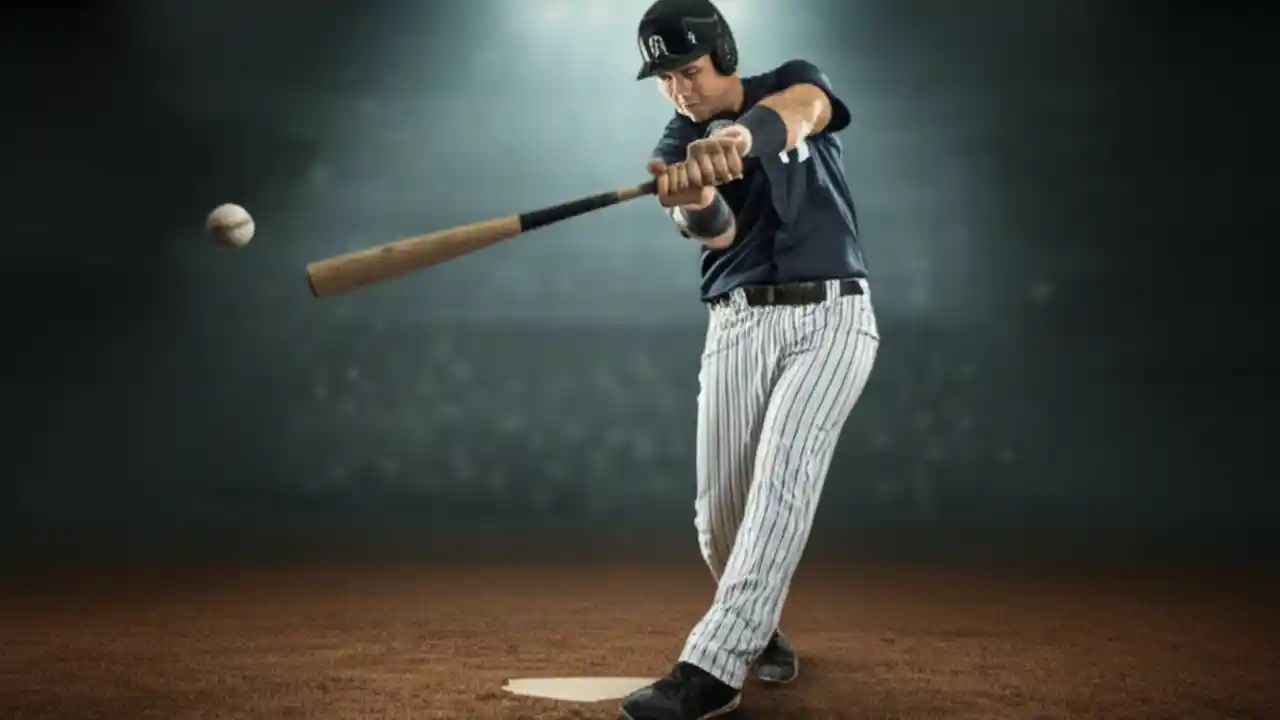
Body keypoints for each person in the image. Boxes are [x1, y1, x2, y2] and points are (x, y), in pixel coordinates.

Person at [618, 0, 881, 718]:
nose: (680, 89)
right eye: (665, 78)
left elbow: (805, 111)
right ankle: (758, 628)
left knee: (780, 482)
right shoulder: (675, 143)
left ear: (723, 53)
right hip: (738, 326)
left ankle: (712, 666)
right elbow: (714, 231)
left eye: (690, 70)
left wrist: (738, 136)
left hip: (832, 317)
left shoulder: (787, 82)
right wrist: (695, 193)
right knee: (718, 519)